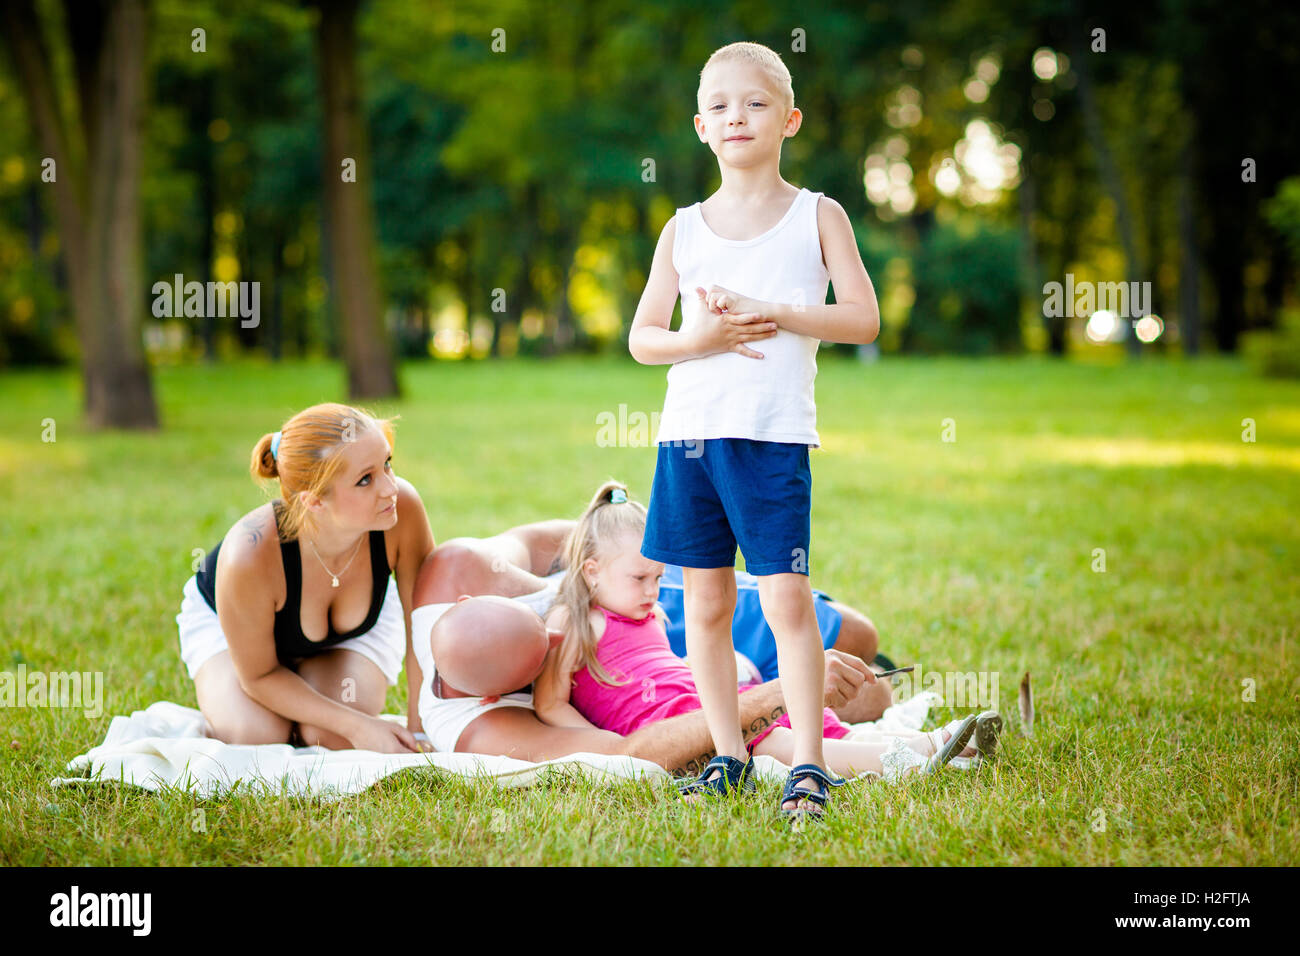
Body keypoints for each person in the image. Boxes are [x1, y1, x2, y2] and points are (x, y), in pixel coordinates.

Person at [627, 41, 881, 820]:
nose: (737, 116)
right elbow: (643, 337)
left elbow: (863, 317)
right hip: (688, 440)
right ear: (700, 126)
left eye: (756, 103)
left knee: (784, 601)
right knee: (701, 605)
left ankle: (808, 763)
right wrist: (698, 340)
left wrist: (778, 313)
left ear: (790, 119)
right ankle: (729, 756)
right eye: (720, 106)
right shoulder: (683, 228)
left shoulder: (817, 214)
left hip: (770, 440)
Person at [535, 482, 981, 797]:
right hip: (673, 725)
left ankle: (916, 743)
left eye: (657, 577)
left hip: (704, 701)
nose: (653, 591)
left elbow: (664, 667)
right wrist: (604, 747)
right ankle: (913, 759)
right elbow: (550, 702)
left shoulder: (651, 612)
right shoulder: (573, 621)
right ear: (592, 570)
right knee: (770, 744)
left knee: (805, 720)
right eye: (640, 579)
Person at [410, 539, 880, 777]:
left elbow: (561, 535)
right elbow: (627, 755)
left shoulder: (458, 567)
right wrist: (776, 696)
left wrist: (621, 557)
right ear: (497, 695)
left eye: (540, 623)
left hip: (639, 602)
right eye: (540, 658)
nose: (557, 637)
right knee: (865, 695)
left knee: (858, 635)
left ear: (467, 600)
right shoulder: (483, 732)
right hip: (657, 697)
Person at [176, 403, 434, 753]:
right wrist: (358, 726)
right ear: (313, 502)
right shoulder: (247, 555)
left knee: (327, 736)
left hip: (347, 637)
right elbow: (259, 676)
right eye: (365, 479)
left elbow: (421, 624)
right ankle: (232, 700)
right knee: (258, 736)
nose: (390, 488)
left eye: (387, 463)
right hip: (233, 631)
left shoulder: (402, 508)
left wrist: (420, 730)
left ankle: (310, 687)